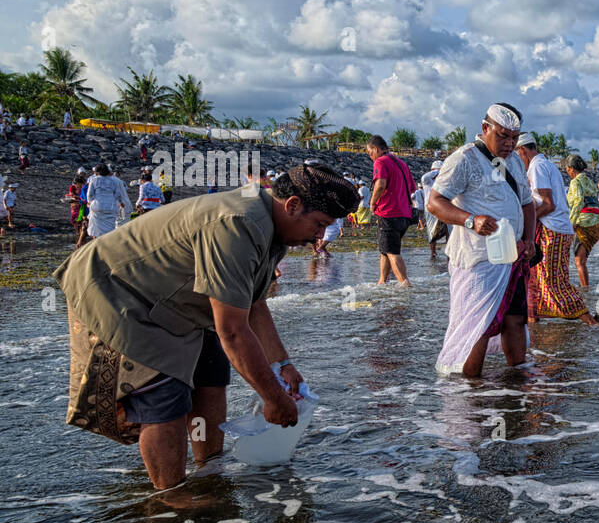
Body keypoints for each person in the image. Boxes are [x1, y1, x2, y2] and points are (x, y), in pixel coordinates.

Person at [54, 164, 357, 489]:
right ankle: (171, 497)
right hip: (122, 291)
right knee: (165, 396)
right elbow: (233, 332)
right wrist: (273, 397)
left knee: (211, 374)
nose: (321, 235)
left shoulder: (275, 227)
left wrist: (282, 364)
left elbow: (254, 304)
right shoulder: (238, 224)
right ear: (293, 205)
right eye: (320, 224)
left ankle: (209, 471)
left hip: (179, 298)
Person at [425, 102, 536, 377]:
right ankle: (470, 390)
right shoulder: (464, 159)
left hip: (511, 256)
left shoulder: (514, 163)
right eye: (502, 136)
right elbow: (435, 202)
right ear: (485, 128)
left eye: (514, 137)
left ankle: (518, 378)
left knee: (515, 318)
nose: (510, 143)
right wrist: (470, 220)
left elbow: (527, 203)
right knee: (479, 323)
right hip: (478, 259)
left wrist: (529, 239)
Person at [516, 132, 599, 325]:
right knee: (536, 279)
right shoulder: (547, 165)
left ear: (522, 151)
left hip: (552, 229)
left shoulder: (536, 167)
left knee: (553, 281)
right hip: (558, 229)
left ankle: (591, 322)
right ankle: (532, 323)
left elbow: (548, 204)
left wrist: (527, 222)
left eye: (517, 155)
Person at [366, 135, 416, 286]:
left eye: (370, 153)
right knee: (386, 249)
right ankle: (382, 281)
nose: (370, 157)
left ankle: (405, 284)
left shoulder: (380, 162)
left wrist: (372, 203)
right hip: (405, 214)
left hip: (389, 213)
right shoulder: (402, 163)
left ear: (376, 149)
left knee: (392, 252)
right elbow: (412, 188)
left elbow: (380, 184)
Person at [566, 155, 599, 287]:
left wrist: (570, 224)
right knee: (582, 260)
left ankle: (585, 293)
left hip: (586, 223)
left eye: (567, 169)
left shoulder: (575, 182)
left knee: (579, 261)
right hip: (598, 223)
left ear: (571, 169)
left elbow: (578, 202)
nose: (567, 171)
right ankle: (586, 288)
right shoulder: (589, 181)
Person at [84, 163, 132, 238]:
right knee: (110, 229)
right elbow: (118, 194)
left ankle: (97, 245)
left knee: (96, 229)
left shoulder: (94, 180)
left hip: (97, 207)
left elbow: (89, 195)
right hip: (111, 207)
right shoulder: (114, 181)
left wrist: (90, 202)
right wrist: (120, 202)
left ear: (97, 172)